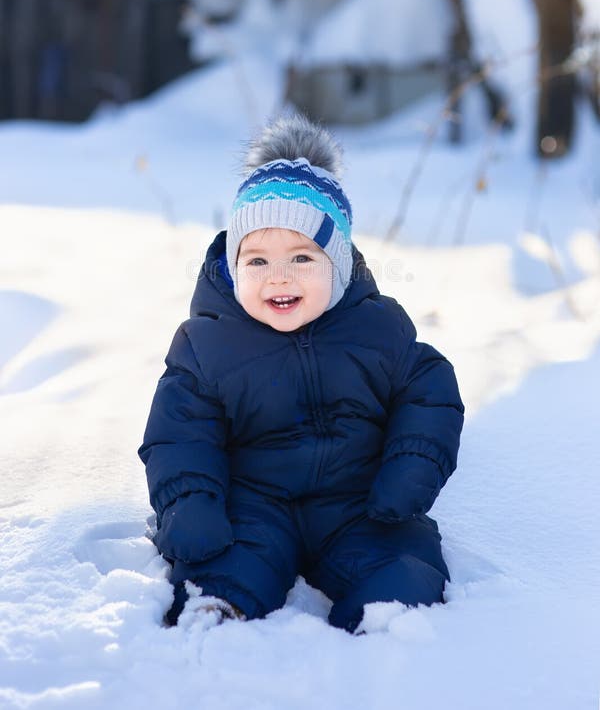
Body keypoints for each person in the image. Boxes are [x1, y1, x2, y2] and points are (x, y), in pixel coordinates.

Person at [138, 114, 464, 633]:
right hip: (253, 502)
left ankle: (388, 620)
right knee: (224, 558)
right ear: (233, 265)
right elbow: (179, 436)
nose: (279, 276)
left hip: (358, 503)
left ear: (336, 266)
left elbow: (428, 395)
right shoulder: (207, 343)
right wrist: (190, 506)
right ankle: (216, 606)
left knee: (401, 563)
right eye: (258, 261)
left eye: (302, 258)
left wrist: (410, 470)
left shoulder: (377, 328)